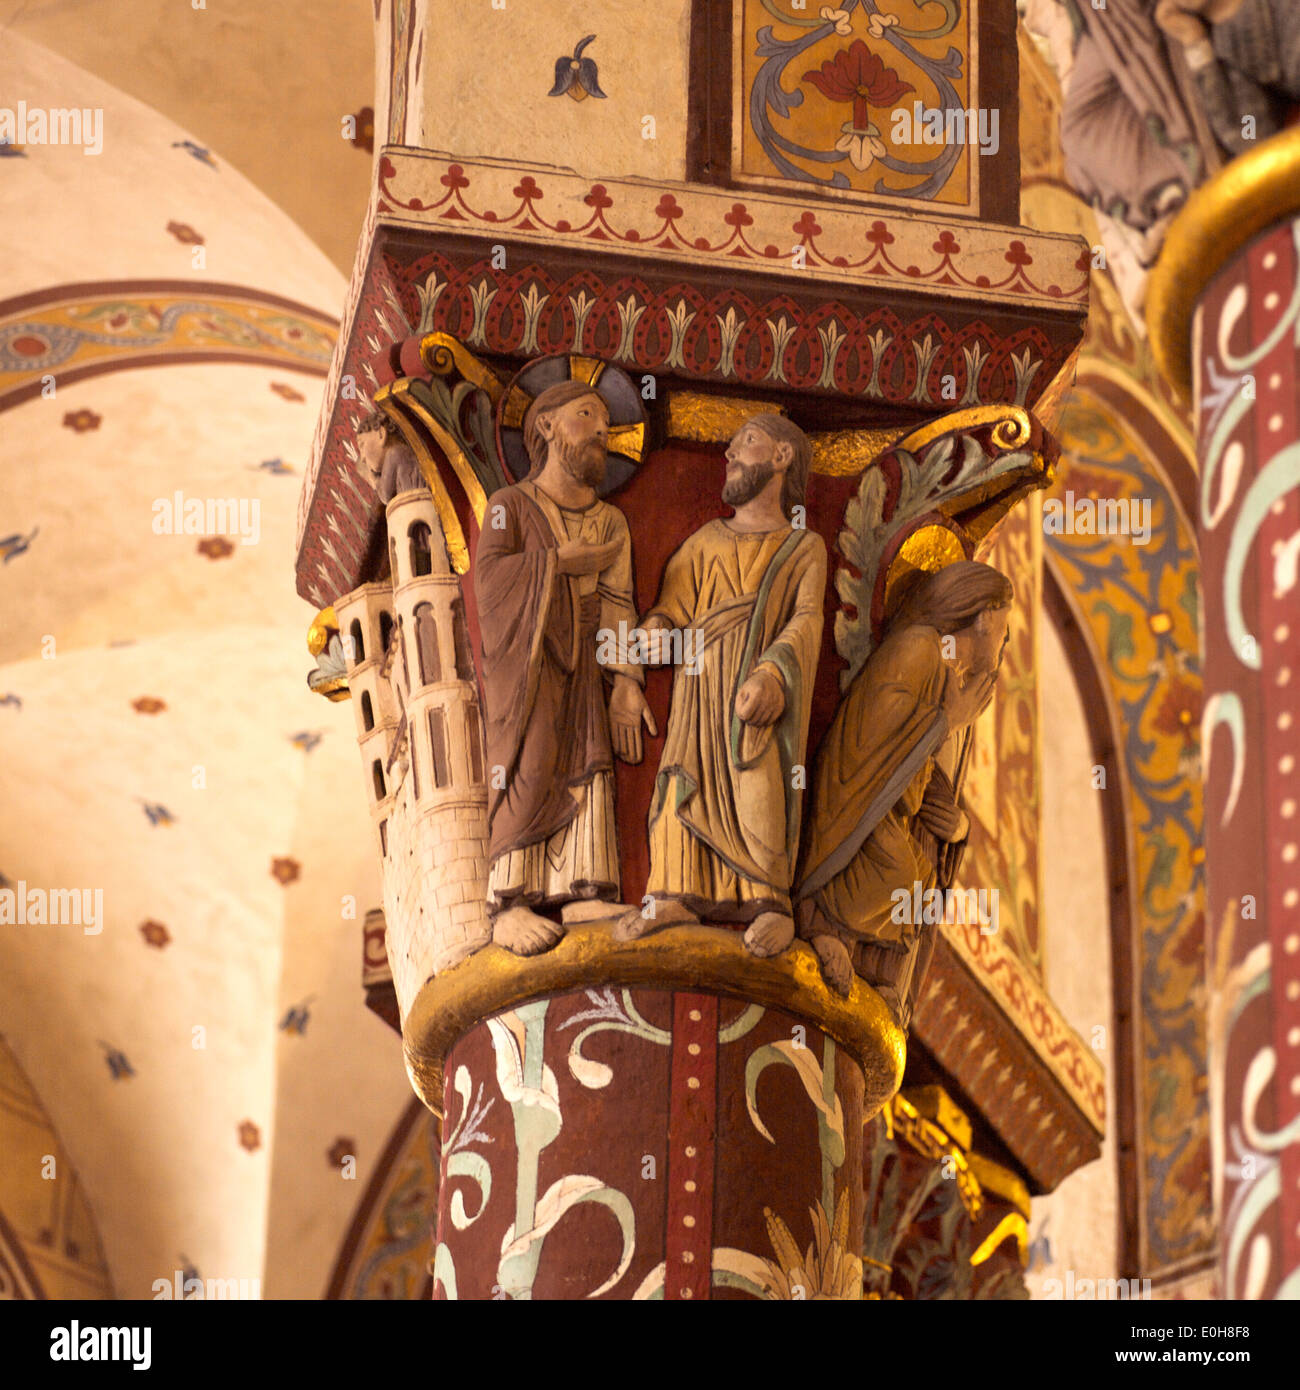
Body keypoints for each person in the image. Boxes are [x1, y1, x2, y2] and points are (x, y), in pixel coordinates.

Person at [616, 414, 826, 958]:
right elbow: (672, 604)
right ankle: (673, 894)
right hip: (697, 690)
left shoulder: (802, 547)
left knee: (758, 787)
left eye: (747, 441)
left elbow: (806, 620)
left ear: (782, 456)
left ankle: (770, 900)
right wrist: (657, 629)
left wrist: (773, 672)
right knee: (682, 783)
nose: (730, 453)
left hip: (753, 694)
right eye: (730, 444)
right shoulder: (706, 540)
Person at [473, 382, 654, 955]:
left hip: (585, 666)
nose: (601, 430)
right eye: (587, 414)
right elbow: (487, 585)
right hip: (527, 671)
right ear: (546, 426)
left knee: (589, 763)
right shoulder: (508, 504)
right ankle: (508, 902)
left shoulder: (611, 522)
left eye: (606, 424)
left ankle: (583, 889)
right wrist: (556, 563)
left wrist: (627, 683)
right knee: (532, 762)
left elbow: (620, 603)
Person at [795, 561, 1013, 1020]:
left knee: (920, 884)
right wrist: (946, 723)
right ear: (984, 616)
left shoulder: (949, 673)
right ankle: (823, 924)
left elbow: (929, 773)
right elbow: (876, 742)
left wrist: (960, 825)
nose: (1006, 640)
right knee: (898, 875)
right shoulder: (919, 649)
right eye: (1004, 628)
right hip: (856, 804)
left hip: (892, 811)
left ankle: (877, 973)